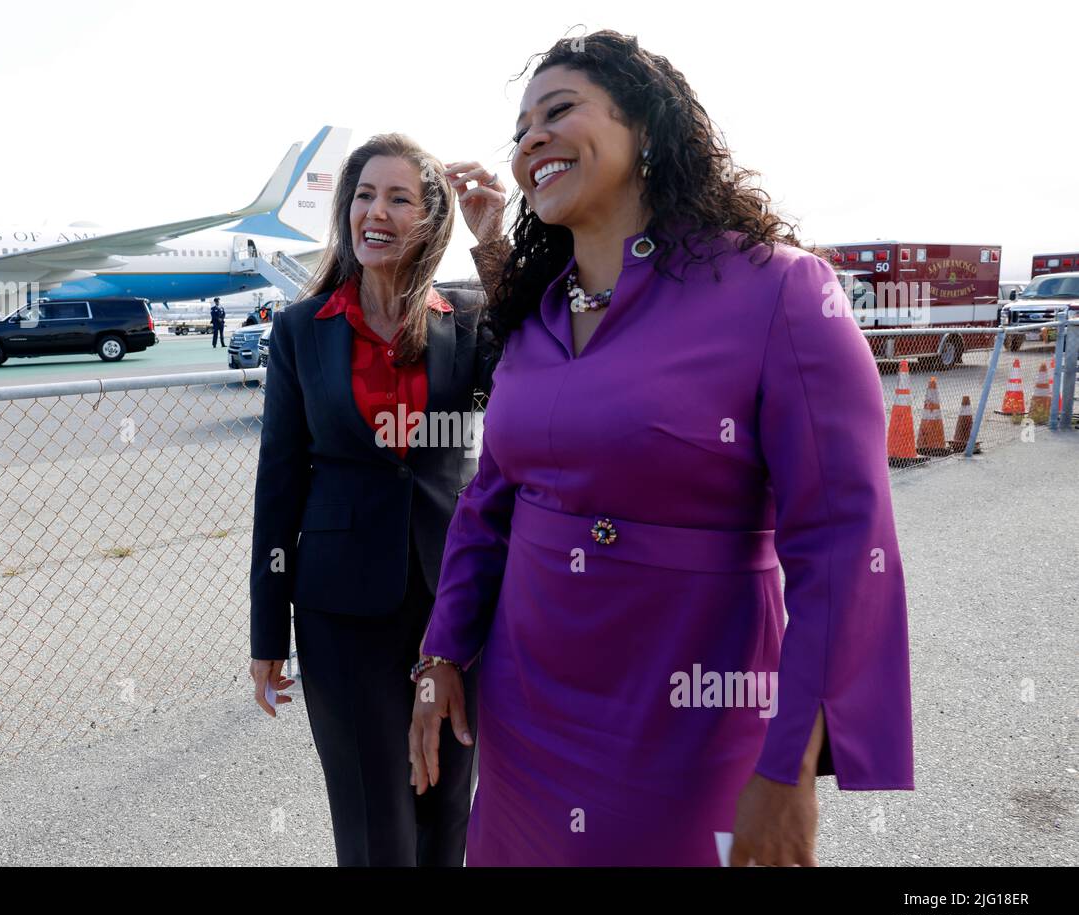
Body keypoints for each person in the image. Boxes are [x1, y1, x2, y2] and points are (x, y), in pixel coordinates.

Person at [408, 30, 914, 866]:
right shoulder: (536, 318)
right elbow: (488, 501)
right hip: (525, 718)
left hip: (689, 720)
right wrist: (442, 652)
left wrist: (791, 765)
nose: (532, 137)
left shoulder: (779, 292)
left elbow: (843, 542)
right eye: (521, 127)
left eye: (558, 110)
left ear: (646, 125)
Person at [249, 132, 501, 867]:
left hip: (455, 603)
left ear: (430, 218)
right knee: (373, 819)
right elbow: (279, 480)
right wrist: (268, 631)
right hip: (340, 614)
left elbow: (538, 359)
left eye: (398, 197)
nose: (376, 212)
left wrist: (494, 241)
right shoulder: (302, 330)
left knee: (447, 805)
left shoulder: (472, 315)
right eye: (364, 195)